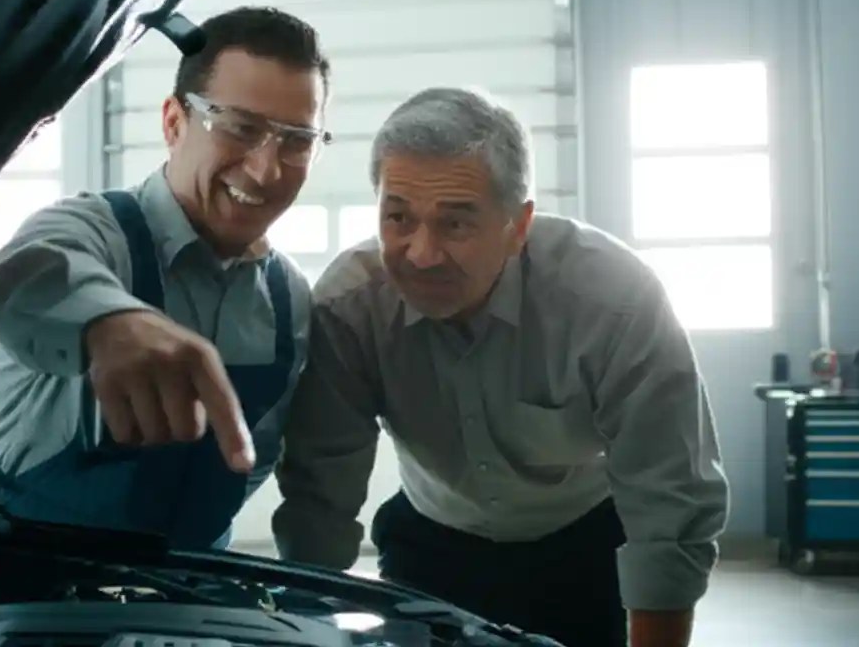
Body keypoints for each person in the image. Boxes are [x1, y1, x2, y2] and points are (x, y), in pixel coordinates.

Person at [271, 87, 729, 647]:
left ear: (518, 226)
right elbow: (322, 498)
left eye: (456, 224)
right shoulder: (350, 307)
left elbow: (670, 499)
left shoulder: (614, 300)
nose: (421, 253)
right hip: (431, 542)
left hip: (583, 545)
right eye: (398, 218)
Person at [0, 6, 330, 551]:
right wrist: (110, 321)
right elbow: (24, 275)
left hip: (188, 598)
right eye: (241, 128)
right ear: (173, 122)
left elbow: (255, 459)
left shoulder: (291, 299)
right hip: (29, 591)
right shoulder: (93, 231)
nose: (267, 169)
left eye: (297, 141)